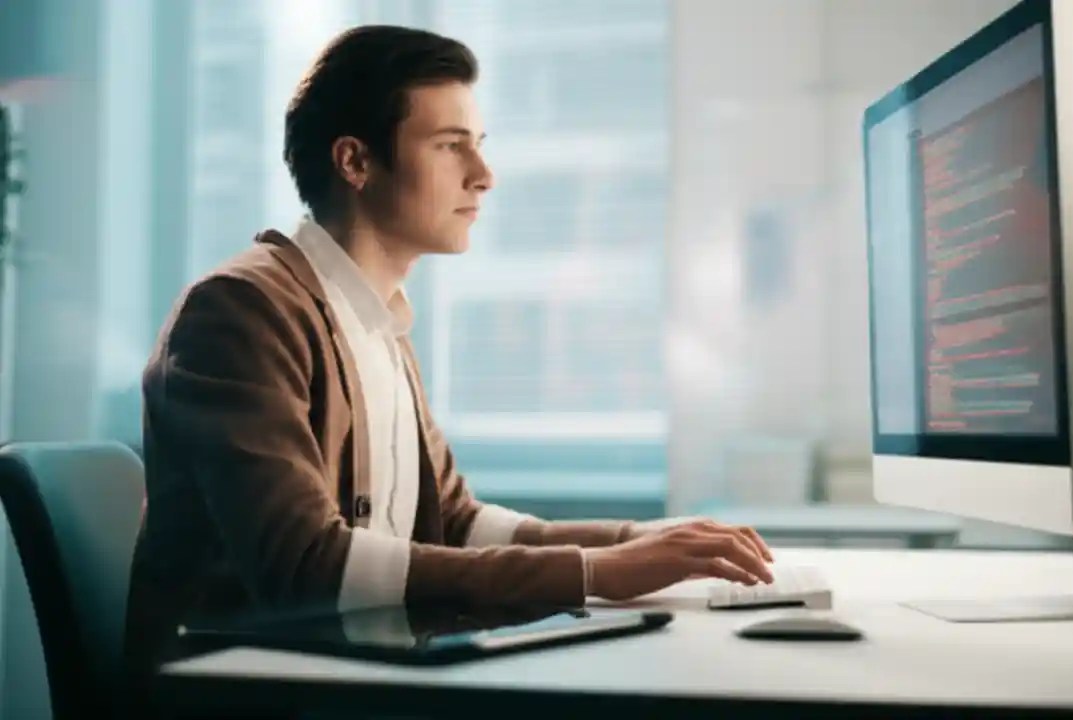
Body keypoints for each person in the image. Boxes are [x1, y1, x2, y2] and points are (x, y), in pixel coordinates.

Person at [124, 24, 774, 681]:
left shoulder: (376, 321)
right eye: (449, 147)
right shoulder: (241, 311)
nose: (484, 176)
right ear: (355, 161)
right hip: (242, 694)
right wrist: (592, 573)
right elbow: (306, 567)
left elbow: (456, 522)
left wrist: (634, 540)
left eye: (479, 147)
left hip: (349, 674)